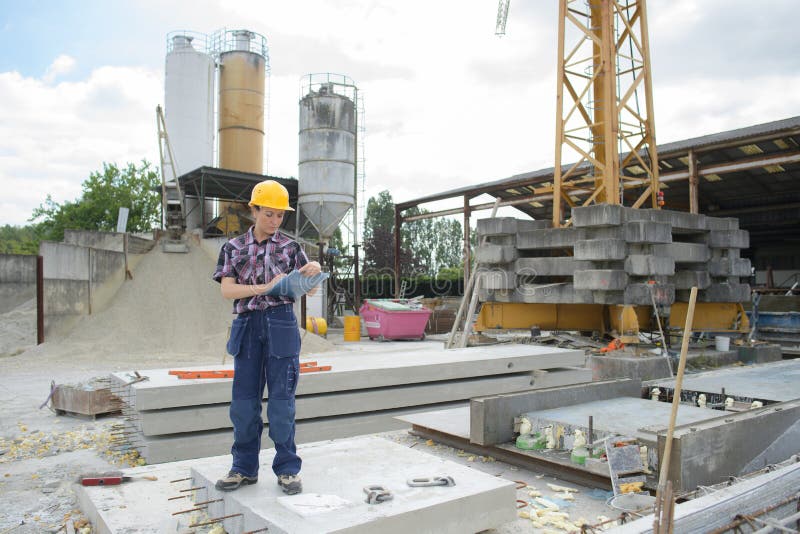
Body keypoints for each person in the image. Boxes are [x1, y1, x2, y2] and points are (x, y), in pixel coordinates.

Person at [211, 180, 322, 495]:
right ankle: (243, 468)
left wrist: (311, 272)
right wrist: (262, 288)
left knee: (281, 404)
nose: (275, 221)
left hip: (282, 323)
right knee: (244, 404)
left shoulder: (291, 247)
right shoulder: (232, 248)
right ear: (254, 210)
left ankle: (287, 469)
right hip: (247, 325)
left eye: (280, 216)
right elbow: (226, 290)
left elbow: (309, 288)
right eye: (269, 214)